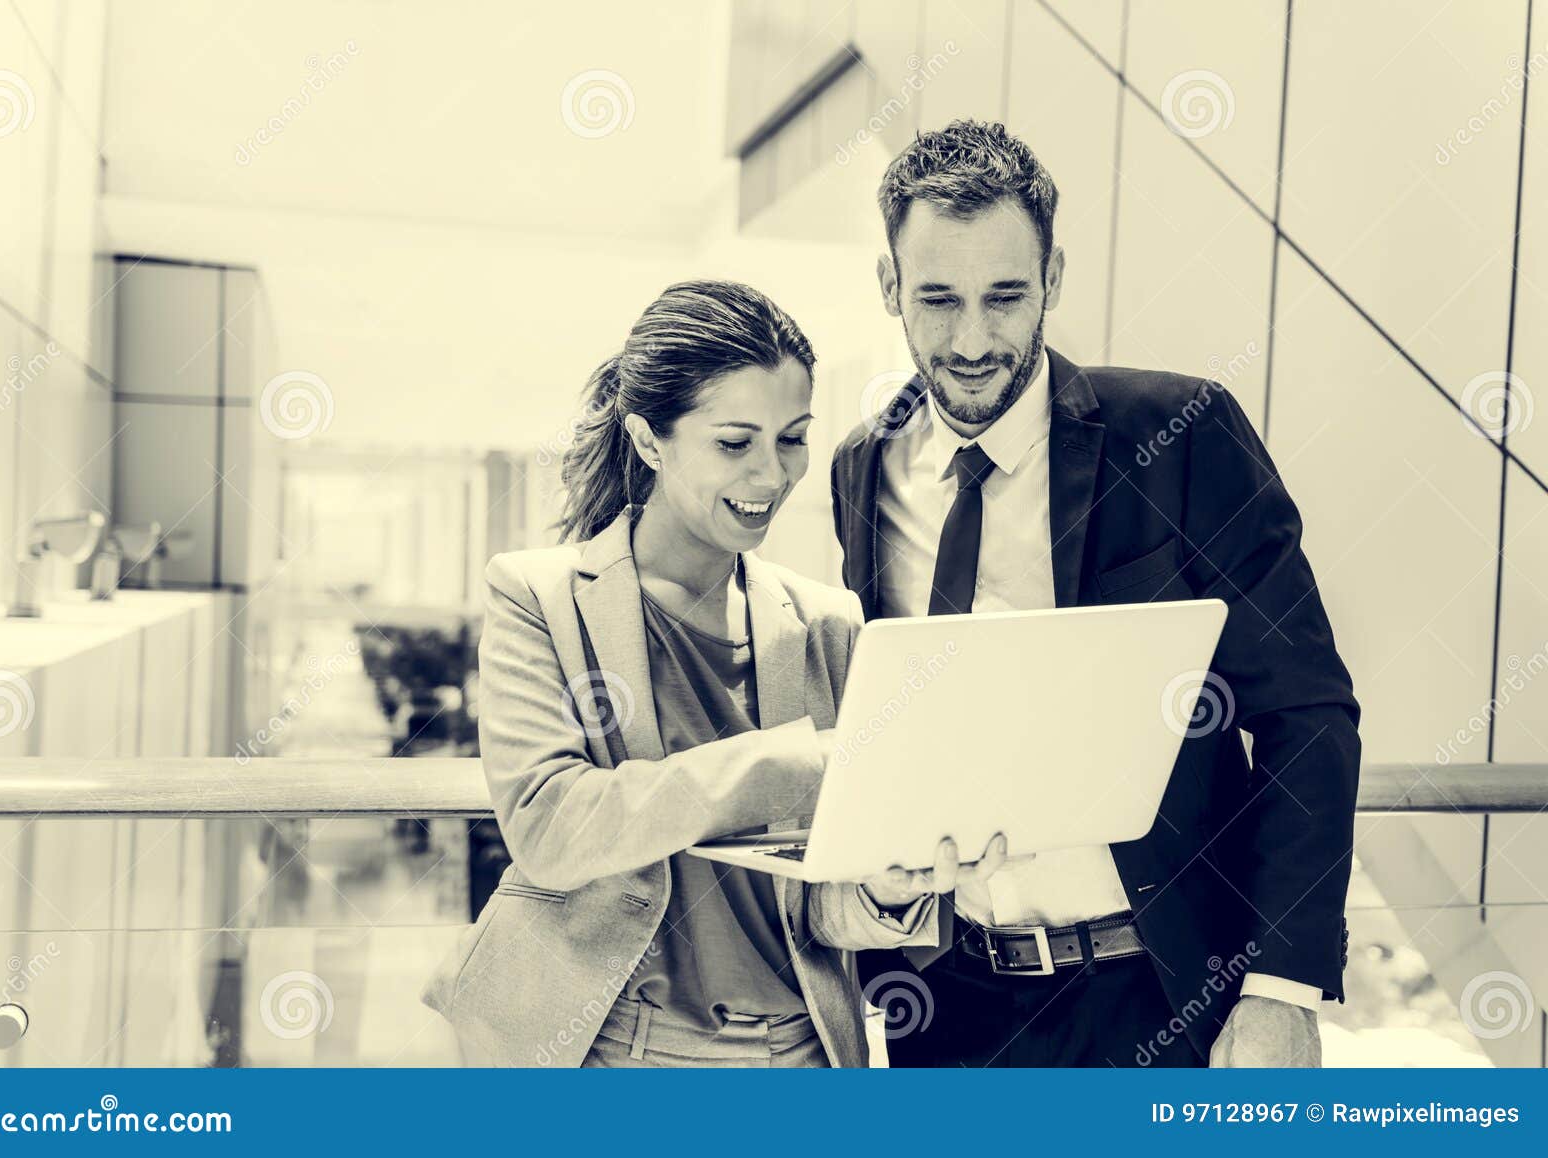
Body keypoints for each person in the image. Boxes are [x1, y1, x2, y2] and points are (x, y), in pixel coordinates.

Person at [833, 121, 1361, 1068]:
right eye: (936, 299)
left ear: (1055, 278)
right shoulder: (862, 472)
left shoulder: (1180, 434)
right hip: (952, 1011)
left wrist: (1282, 990)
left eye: (1006, 297)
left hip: (1158, 998)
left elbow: (1308, 713)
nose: (972, 340)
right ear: (888, 289)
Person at [421, 279, 979, 1068]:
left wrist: (888, 891)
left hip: (800, 1055)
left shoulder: (829, 623)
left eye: (792, 438)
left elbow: (819, 904)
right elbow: (551, 825)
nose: (771, 475)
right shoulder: (538, 596)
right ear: (650, 440)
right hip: (609, 1052)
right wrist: (792, 763)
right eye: (734, 442)